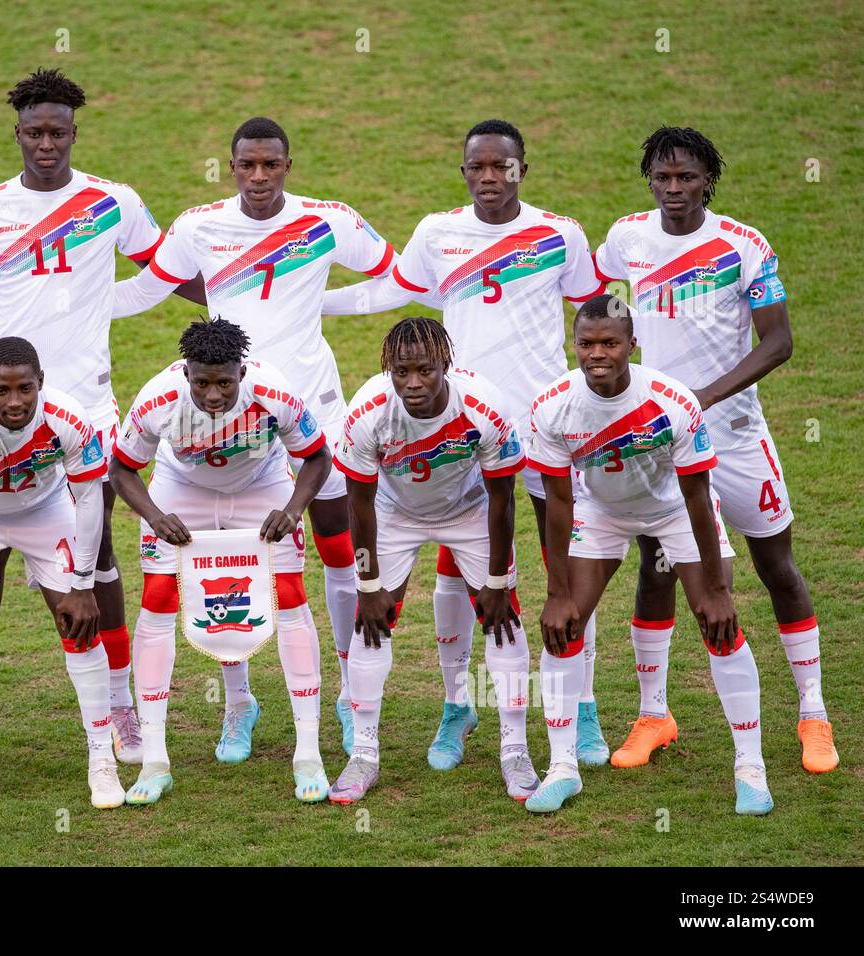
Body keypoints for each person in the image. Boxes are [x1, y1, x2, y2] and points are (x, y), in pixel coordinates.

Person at [0, 69, 196, 771]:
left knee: (96, 562)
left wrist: (239, 297)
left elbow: (170, 270)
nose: (46, 143)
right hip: (6, 411)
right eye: (34, 132)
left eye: (57, 132)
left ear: (74, 133)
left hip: (87, 408)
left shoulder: (112, 201)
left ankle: (122, 707)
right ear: (18, 134)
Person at [321, 119, 612, 769]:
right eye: (477, 167)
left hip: (541, 426)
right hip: (456, 431)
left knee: (571, 569)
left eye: (502, 166)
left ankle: (583, 710)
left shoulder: (559, 234)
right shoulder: (437, 232)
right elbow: (395, 291)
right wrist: (318, 302)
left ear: (522, 170)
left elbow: (599, 315)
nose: (490, 177)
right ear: (464, 173)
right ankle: (459, 707)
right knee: (458, 571)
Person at [111, 117, 397, 759]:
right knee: (220, 560)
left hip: (309, 410)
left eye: (272, 165)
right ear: (232, 165)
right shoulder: (198, 226)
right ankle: (237, 701)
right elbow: (143, 292)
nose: (260, 177)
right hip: (226, 411)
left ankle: (351, 699)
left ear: (288, 166)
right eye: (248, 165)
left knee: (337, 550)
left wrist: (327, 304)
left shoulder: (329, 220)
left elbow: (401, 278)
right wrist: (36, 310)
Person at [594, 126, 836, 774]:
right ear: (649, 180)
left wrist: (701, 396)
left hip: (734, 436)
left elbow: (778, 341)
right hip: (661, 441)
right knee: (657, 567)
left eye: (687, 178)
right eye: (663, 178)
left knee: (776, 567)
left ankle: (813, 712)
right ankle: (654, 715)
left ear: (709, 181)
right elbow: (604, 306)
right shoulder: (626, 238)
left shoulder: (744, 245)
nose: (674, 190)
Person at [527, 295, 771, 816]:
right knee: (564, 626)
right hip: (602, 512)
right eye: (586, 343)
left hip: (675, 512)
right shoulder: (552, 405)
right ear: (574, 346)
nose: (597, 354)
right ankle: (562, 767)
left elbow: (697, 497)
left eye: (610, 343)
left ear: (632, 346)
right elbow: (560, 500)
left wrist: (719, 589)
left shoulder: (671, 401)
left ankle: (750, 767)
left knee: (717, 622)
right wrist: (557, 592)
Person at [109, 318, 333, 804]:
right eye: (201, 383)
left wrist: (293, 510)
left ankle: (308, 753)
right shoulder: (157, 399)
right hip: (181, 492)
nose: (213, 395)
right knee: (158, 603)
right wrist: (154, 514)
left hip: (261, 488)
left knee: (288, 597)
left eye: (224, 383)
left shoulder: (274, 391)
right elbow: (122, 469)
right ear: (185, 372)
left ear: (241, 372)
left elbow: (318, 457)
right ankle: (154, 760)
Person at [334, 317, 533, 803]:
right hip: (394, 513)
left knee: (502, 621)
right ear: (389, 369)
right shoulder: (368, 413)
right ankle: (363, 753)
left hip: (468, 512)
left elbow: (503, 497)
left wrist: (497, 579)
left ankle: (516, 750)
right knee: (370, 623)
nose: (413, 383)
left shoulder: (485, 408)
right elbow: (358, 503)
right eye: (402, 372)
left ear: (447, 363)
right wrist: (368, 584)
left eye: (424, 370)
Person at [0, 337, 120, 812]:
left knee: (77, 624)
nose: (15, 402)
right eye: (2, 391)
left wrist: (82, 583)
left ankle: (102, 759)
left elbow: (91, 497)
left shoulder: (69, 417)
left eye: (25, 390)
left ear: (41, 384)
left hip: (46, 510)